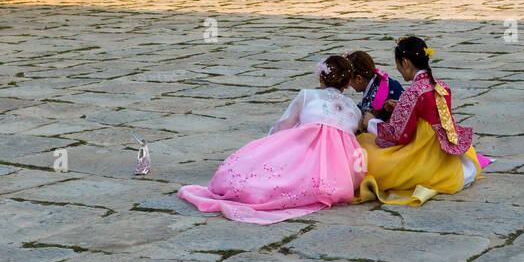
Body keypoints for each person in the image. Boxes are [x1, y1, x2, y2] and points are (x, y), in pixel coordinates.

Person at [179, 56, 367, 224]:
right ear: (348, 83)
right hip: (339, 170)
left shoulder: (307, 95)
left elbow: (284, 124)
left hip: (308, 148)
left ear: (320, 77)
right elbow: (352, 129)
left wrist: (271, 144)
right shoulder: (353, 108)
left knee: (272, 167)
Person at [355, 36, 486, 206]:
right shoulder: (440, 86)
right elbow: (430, 114)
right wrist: (401, 106)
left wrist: (371, 122)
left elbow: (398, 134)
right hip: (441, 148)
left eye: (398, 64)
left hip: (422, 151)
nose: (398, 69)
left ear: (405, 62)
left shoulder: (413, 92)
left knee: (366, 149)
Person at [345, 50, 404, 124]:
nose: (349, 84)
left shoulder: (376, 99)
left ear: (359, 78)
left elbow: (365, 121)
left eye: (349, 80)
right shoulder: (377, 79)